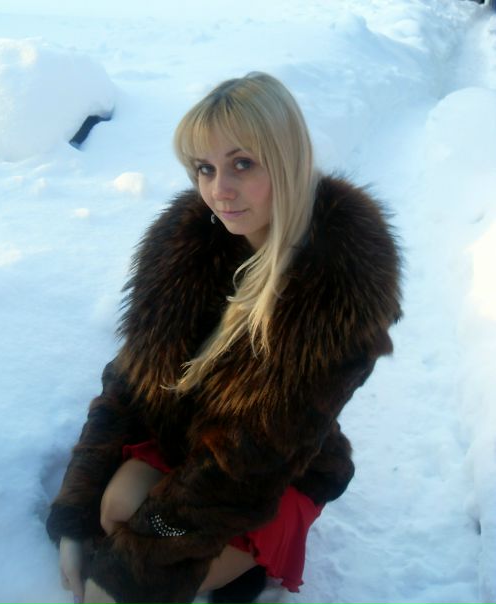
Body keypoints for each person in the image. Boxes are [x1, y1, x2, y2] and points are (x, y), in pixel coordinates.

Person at [46, 72, 402, 604]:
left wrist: (133, 569)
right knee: (116, 507)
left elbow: (253, 458)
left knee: (134, 557)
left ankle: (243, 564)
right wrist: (76, 511)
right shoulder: (187, 245)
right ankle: (197, 554)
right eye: (205, 169)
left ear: (287, 159)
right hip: (191, 441)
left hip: (268, 473)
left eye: (243, 164)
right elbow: (128, 382)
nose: (219, 191)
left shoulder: (340, 283)